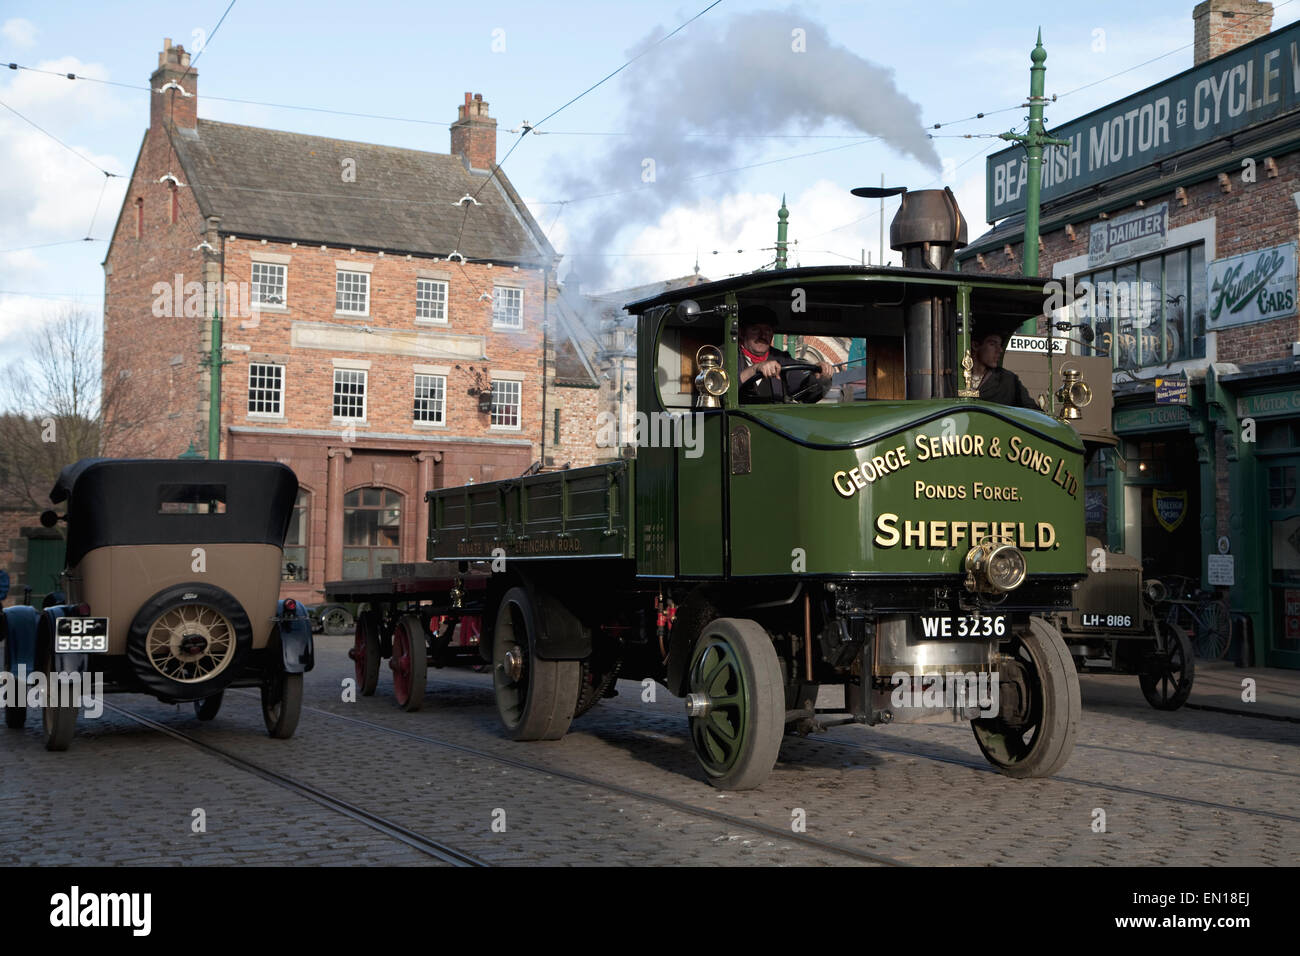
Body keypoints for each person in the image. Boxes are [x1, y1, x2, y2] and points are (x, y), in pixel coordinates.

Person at [737, 306, 833, 403]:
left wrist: (818, 377)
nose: (763, 335)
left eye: (768, 330)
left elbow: (805, 393)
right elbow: (724, 391)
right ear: (741, 333)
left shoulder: (782, 359)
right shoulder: (725, 356)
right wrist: (755, 369)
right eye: (755, 330)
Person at [969, 329, 1040, 410]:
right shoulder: (953, 379)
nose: (1000, 350)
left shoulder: (1008, 380)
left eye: (1000, 345)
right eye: (992, 344)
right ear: (975, 345)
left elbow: (1032, 410)